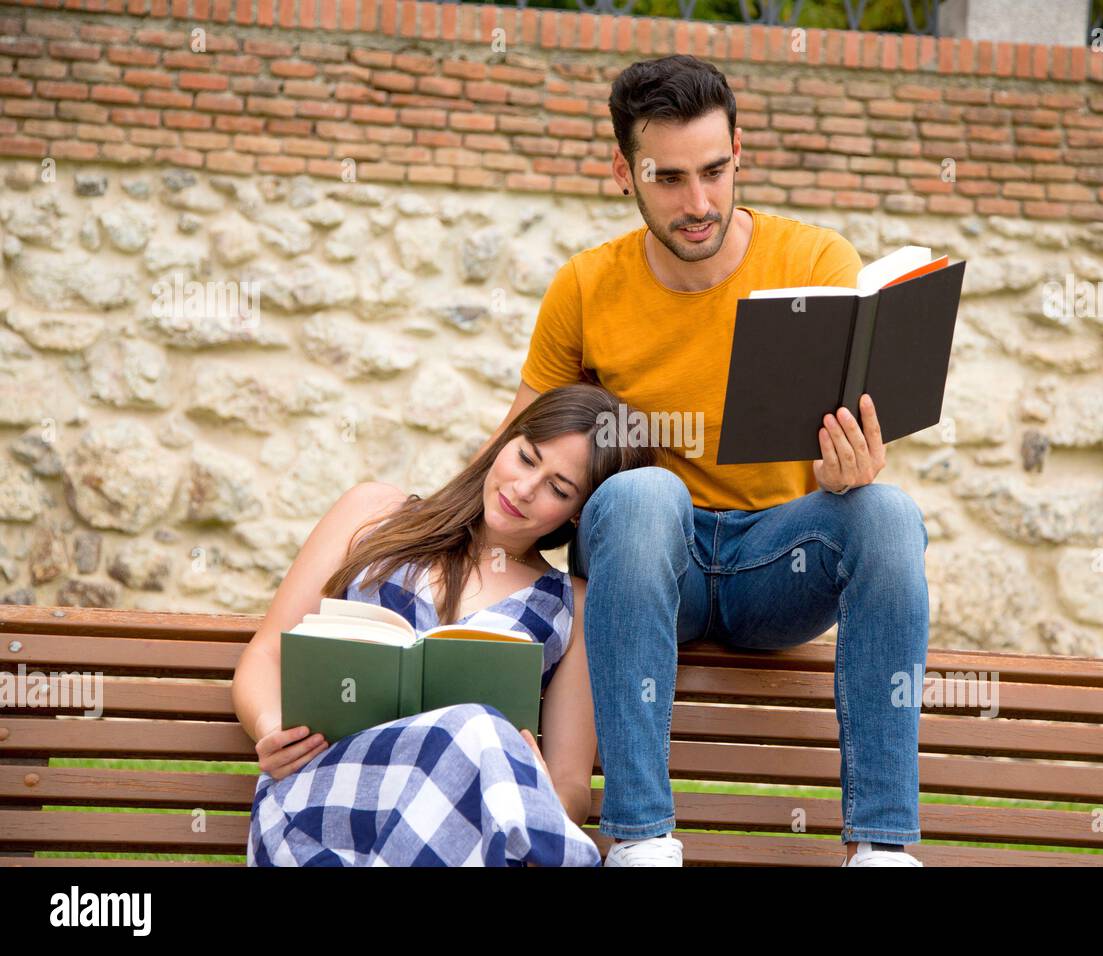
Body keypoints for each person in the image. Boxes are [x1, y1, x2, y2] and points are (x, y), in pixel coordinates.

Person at [476, 55, 930, 867]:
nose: (699, 203)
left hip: (775, 563)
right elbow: (517, 451)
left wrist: (849, 473)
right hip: (652, 562)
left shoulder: (816, 261)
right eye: (671, 177)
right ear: (623, 171)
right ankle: (642, 840)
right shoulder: (585, 288)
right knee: (645, 493)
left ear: (739, 151)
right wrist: (424, 536)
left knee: (889, 512)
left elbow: (856, 457)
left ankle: (883, 849)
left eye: (716, 171)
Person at [232, 383, 659, 866]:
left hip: (458, 827)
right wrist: (273, 731)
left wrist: (526, 781)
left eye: (558, 489)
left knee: (479, 734)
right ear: (504, 441)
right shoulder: (372, 514)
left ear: (579, 514)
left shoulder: (573, 606)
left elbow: (569, 783)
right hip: (324, 797)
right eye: (525, 457)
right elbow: (264, 655)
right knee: (478, 726)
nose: (523, 489)